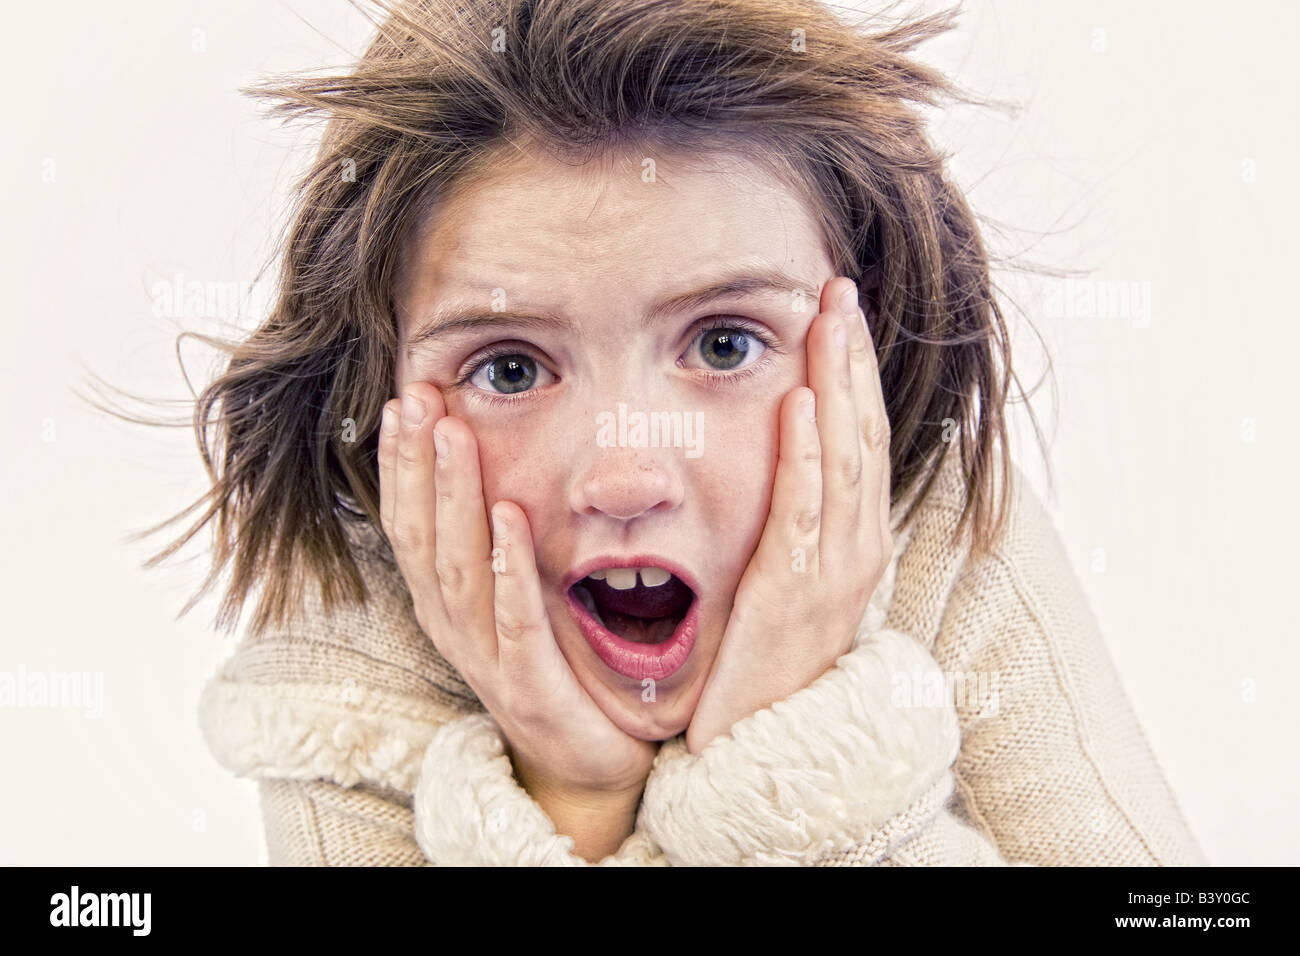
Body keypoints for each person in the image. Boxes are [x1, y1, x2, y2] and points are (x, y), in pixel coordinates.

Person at [160, 0, 1204, 865]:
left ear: (863, 345)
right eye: (510, 368)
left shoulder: (930, 531)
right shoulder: (352, 628)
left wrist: (798, 781)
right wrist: (568, 795)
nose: (624, 474)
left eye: (722, 345)